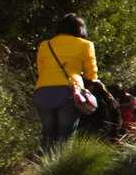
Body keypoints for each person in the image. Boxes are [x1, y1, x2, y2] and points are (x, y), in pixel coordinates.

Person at [31, 13, 99, 145]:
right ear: (80, 30)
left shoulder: (45, 45)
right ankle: (61, 165)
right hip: (69, 93)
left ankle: (45, 164)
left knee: (48, 134)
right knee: (65, 136)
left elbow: (40, 70)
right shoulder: (86, 45)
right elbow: (91, 75)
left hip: (43, 92)